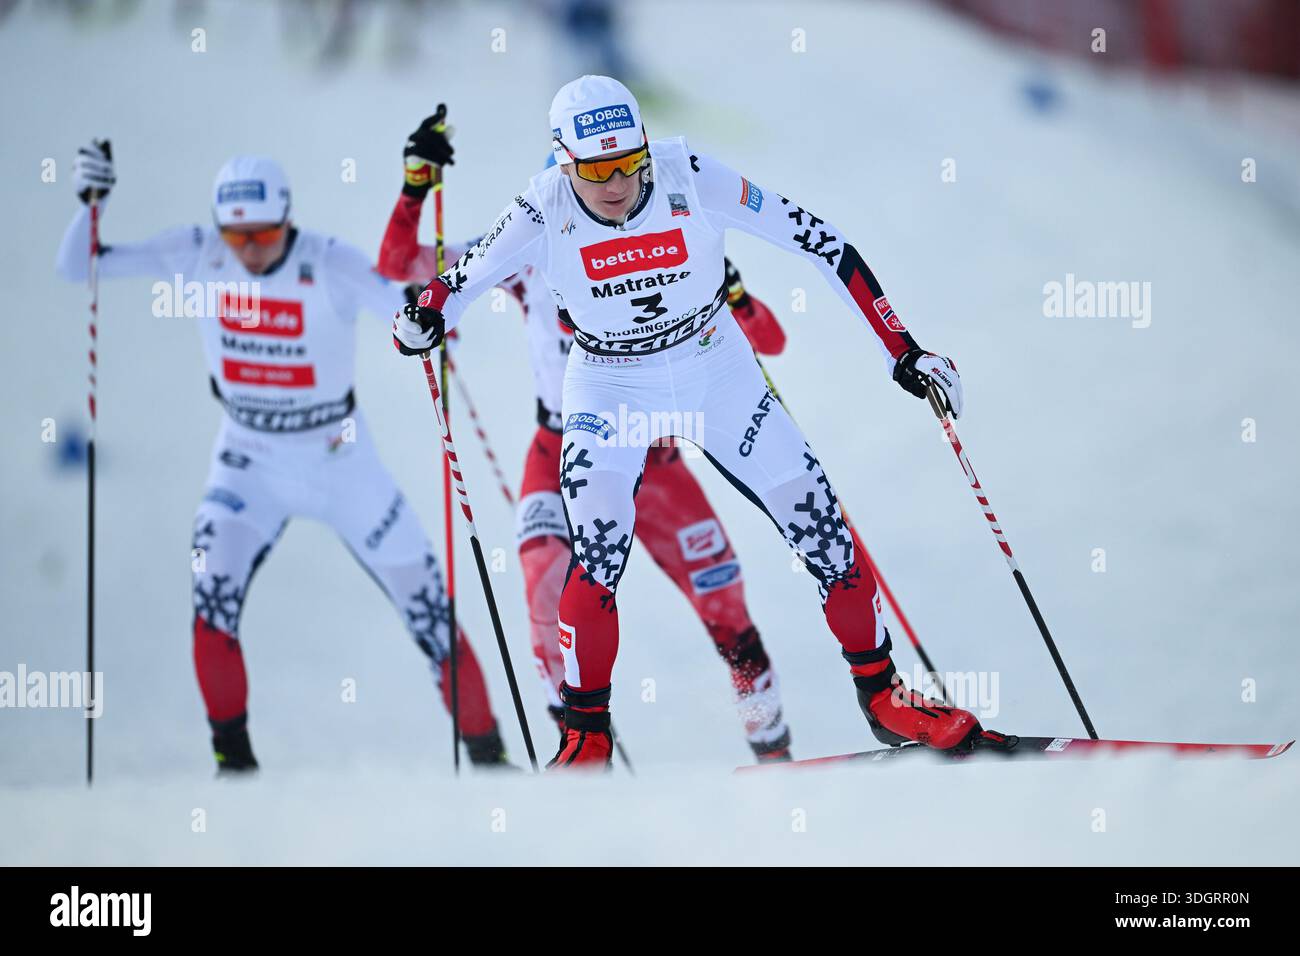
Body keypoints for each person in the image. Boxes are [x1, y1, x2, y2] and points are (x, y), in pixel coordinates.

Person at [393, 76, 997, 770]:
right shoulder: (542, 206)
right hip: (610, 386)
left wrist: (904, 347)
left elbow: (824, 244)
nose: (617, 183)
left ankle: (885, 696)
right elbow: (458, 279)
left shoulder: (692, 175)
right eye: (595, 170)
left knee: (824, 529)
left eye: (629, 162)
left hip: (716, 370)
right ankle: (586, 735)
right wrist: (424, 317)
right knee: (597, 558)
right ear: (564, 162)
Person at [56, 143, 511, 773]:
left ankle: (490, 761)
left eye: (265, 233)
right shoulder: (198, 253)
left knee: (430, 607)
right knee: (211, 599)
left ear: (288, 219)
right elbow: (79, 267)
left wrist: (425, 316)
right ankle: (235, 767)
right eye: (236, 234)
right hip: (247, 462)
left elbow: (428, 321)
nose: (249, 249)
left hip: (341, 460)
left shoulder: (330, 264)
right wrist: (91, 204)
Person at [379, 123, 795, 762]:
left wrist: (729, 288)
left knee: (723, 599)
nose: (597, 213)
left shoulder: (662, 247)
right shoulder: (527, 253)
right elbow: (399, 268)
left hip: (652, 456)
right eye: (578, 197)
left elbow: (770, 342)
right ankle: (576, 752)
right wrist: (414, 190)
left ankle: (772, 748)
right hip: (560, 450)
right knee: (546, 583)